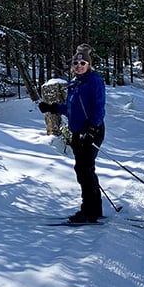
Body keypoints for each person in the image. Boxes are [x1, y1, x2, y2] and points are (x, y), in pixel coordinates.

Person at [39, 44, 106, 223]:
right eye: (76, 62)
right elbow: (71, 108)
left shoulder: (94, 81)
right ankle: (95, 209)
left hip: (92, 130)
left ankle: (88, 212)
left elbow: (98, 107)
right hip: (78, 131)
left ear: (89, 64)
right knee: (85, 169)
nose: (79, 65)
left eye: (83, 62)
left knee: (84, 170)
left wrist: (91, 129)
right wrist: (52, 107)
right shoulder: (75, 83)